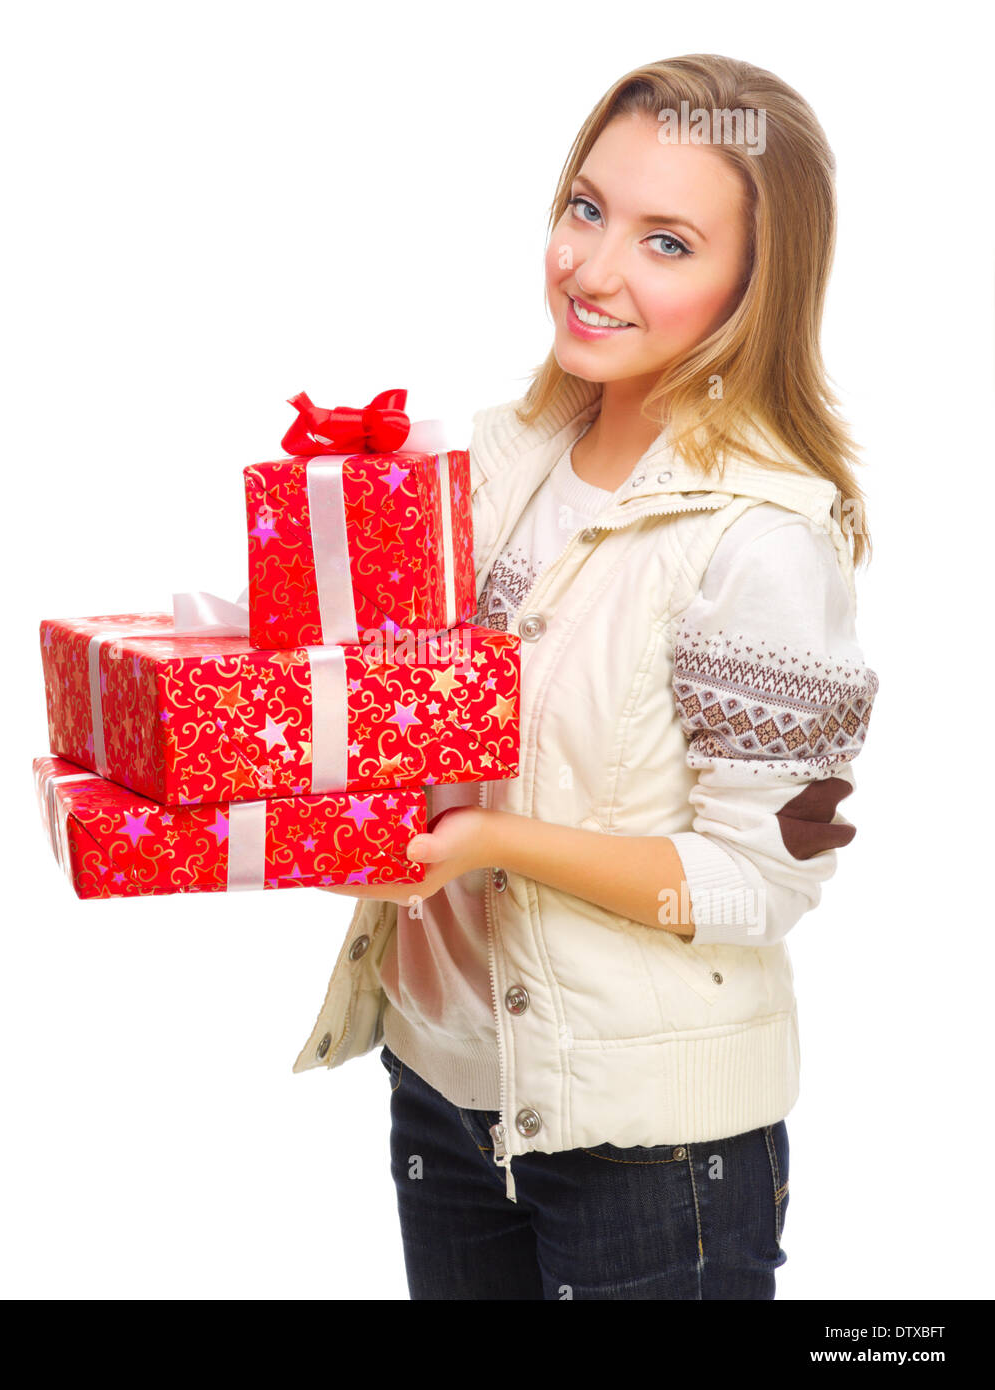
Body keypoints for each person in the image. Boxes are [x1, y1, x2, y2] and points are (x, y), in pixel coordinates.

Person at [307, 52, 881, 1300]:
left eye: (667, 241)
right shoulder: (493, 465)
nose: (595, 268)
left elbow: (761, 880)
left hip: (650, 1153)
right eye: (586, 208)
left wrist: (491, 839)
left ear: (751, 281)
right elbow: (374, 696)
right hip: (447, 1092)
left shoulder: (761, 538)